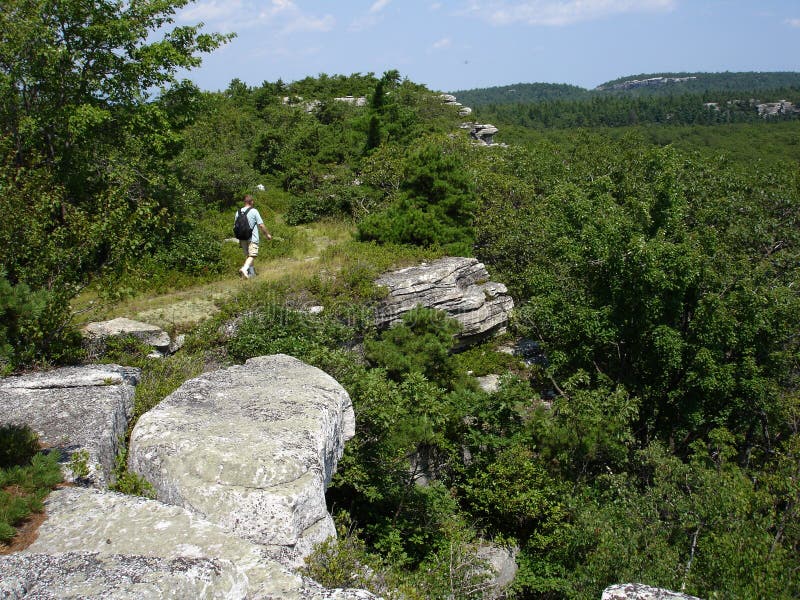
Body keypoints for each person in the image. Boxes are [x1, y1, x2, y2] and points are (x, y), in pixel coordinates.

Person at [235, 194, 272, 279]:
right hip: (252, 238)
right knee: (253, 255)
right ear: (251, 202)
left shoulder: (238, 212)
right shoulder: (254, 211)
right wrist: (267, 234)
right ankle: (244, 269)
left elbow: (235, 226)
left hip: (242, 238)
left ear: (244, 202)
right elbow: (261, 225)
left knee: (248, 256)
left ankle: (252, 274)